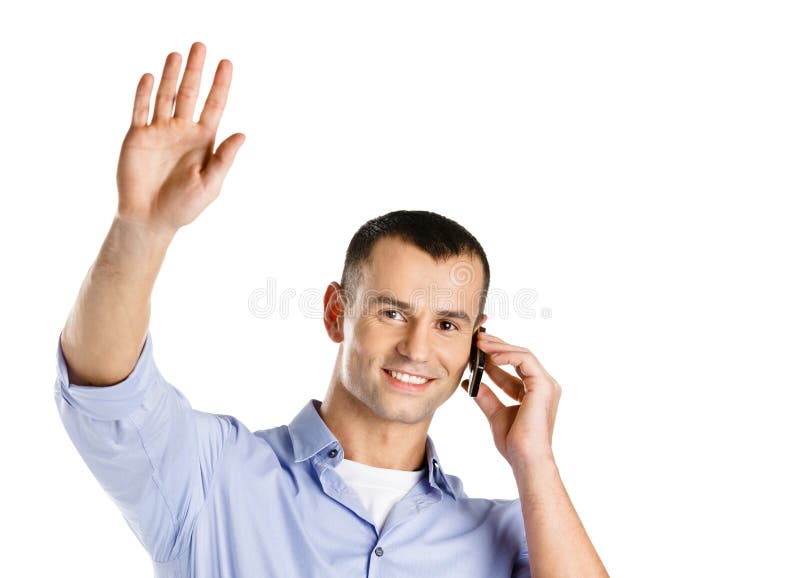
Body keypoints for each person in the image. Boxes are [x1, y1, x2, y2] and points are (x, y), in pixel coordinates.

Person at [53, 42, 609, 578]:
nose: (417, 349)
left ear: (475, 344)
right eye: (391, 313)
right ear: (336, 313)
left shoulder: (511, 535)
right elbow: (106, 391)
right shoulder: (210, 477)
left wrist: (533, 460)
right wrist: (141, 229)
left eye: (446, 325)